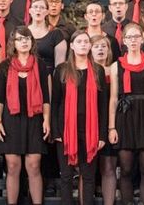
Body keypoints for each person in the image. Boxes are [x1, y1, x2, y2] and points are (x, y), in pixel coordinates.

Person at [52, 31, 110, 205]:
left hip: (90, 130)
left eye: (86, 42)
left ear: (90, 46)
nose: (83, 44)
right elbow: (55, 102)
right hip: (66, 129)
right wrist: (56, 131)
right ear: (72, 45)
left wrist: (102, 135)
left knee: (88, 176)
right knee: (66, 176)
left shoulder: (98, 71)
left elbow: (103, 106)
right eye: (79, 42)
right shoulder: (62, 70)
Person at [0, 26, 51, 205]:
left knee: (34, 165)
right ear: (13, 43)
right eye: (20, 39)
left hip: (35, 118)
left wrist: (47, 120)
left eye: (27, 38)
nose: (24, 42)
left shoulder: (40, 65)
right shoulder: (5, 65)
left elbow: (46, 97)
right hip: (11, 119)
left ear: (32, 42)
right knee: (13, 166)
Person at [117, 22, 144, 205]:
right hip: (125, 117)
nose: (133, 40)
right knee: (126, 168)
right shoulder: (117, 65)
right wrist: (111, 127)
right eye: (129, 37)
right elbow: (113, 99)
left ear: (142, 39)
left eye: (136, 36)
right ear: (124, 41)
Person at [91, 34, 122, 205]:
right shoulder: (86, 71)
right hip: (90, 122)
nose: (100, 49)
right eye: (96, 46)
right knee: (88, 170)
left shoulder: (115, 70)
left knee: (109, 166)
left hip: (111, 122)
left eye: (104, 46)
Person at [25, 0, 68, 79]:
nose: (38, 10)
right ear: (30, 10)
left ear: (47, 12)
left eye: (42, 7)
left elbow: (59, 67)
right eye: (35, 7)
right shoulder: (22, 33)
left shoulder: (56, 34)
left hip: (48, 78)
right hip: (25, 77)